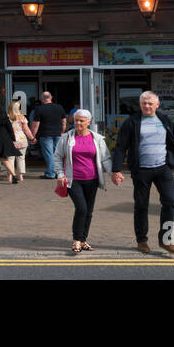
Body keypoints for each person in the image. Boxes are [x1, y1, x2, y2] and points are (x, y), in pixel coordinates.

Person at [111, 90, 174, 255]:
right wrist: (116, 170)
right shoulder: (132, 122)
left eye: (150, 103)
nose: (147, 106)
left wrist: (173, 161)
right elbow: (121, 146)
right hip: (141, 170)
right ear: (140, 105)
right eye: (144, 103)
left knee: (170, 202)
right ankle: (142, 240)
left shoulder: (164, 120)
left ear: (157, 105)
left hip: (163, 168)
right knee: (141, 205)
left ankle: (167, 240)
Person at [54, 108, 113, 254]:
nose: (78, 123)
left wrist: (113, 173)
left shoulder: (97, 138)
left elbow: (105, 158)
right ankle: (76, 240)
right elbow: (57, 156)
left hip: (92, 180)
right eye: (76, 120)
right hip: (73, 180)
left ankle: (83, 240)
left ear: (89, 122)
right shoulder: (67, 137)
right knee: (81, 208)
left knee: (89, 211)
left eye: (82, 120)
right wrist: (60, 174)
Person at [29, 91, 67, 179]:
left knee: (49, 154)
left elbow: (35, 125)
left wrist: (32, 136)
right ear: (51, 97)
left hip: (45, 134)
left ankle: (51, 173)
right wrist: (62, 132)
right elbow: (64, 122)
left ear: (42, 99)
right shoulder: (59, 107)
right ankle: (58, 173)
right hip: (58, 134)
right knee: (58, 154)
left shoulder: (39, 109)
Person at [4, 100, 35, 183]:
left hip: (11, 140)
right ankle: (20, 176)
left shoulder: (6, 117)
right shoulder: (22, 117)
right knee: (21, 158)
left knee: (10, 158)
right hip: (22, 139)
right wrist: (32, 138)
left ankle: (10, 176)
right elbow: (26, 130)